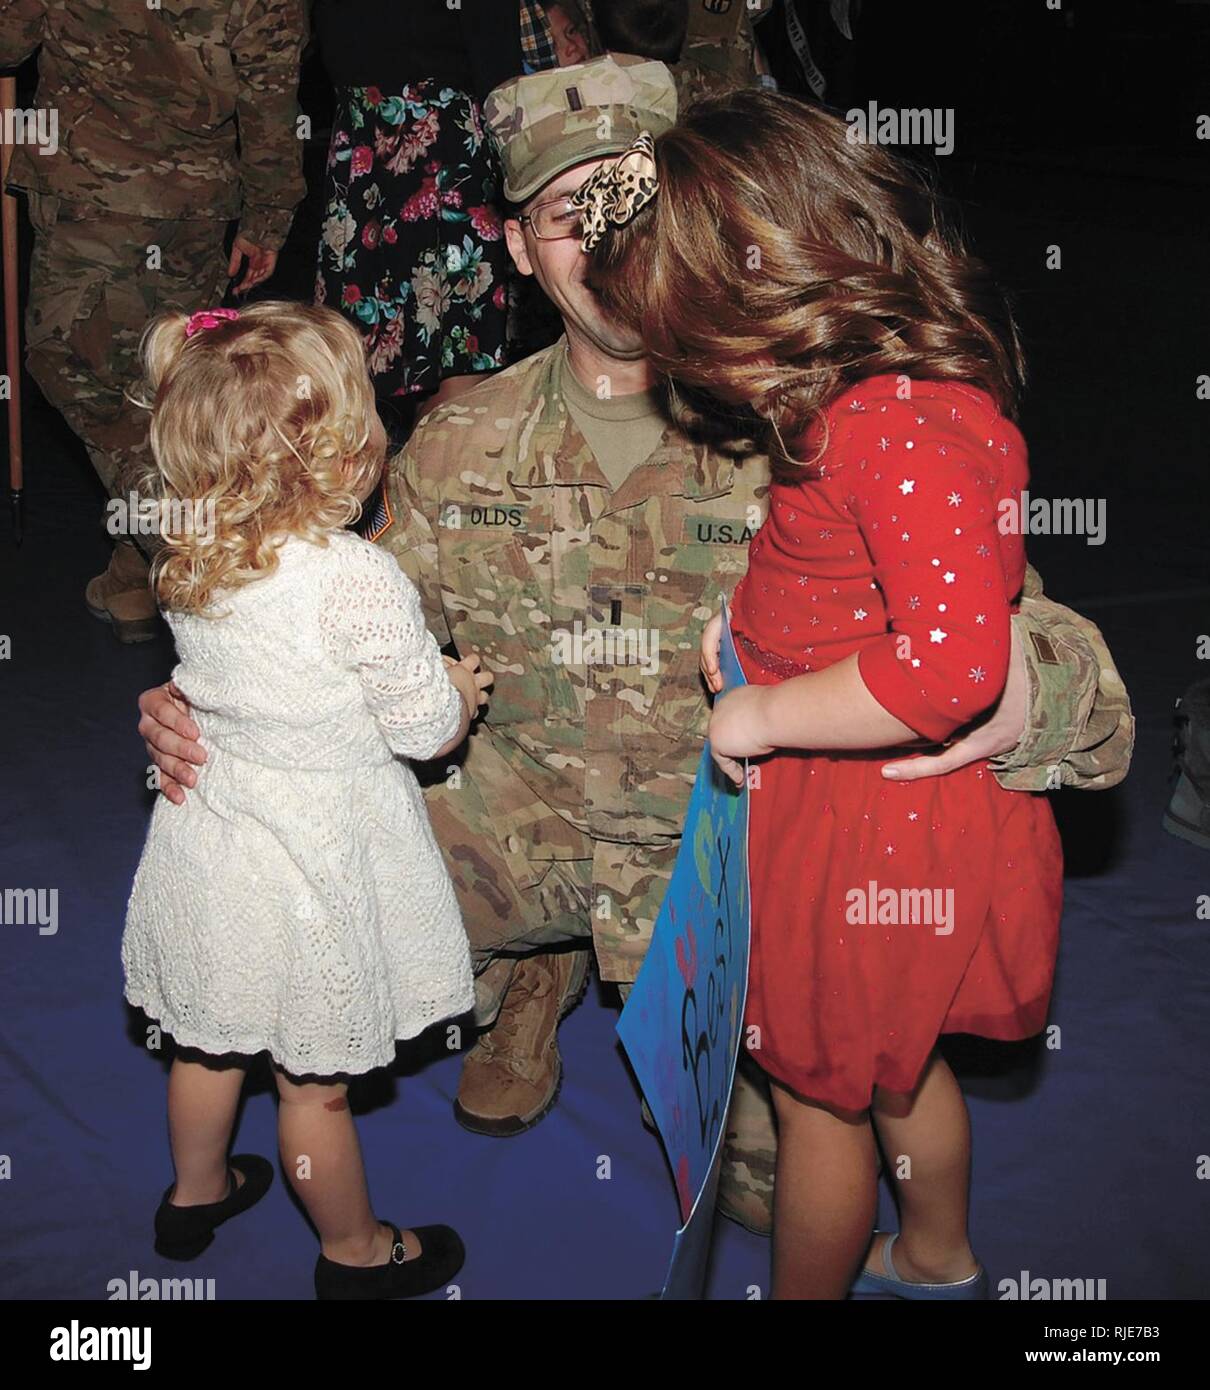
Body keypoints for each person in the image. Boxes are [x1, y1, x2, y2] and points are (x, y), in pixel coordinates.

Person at [135, 56, 1103, 1241]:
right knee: (296, 868)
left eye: (633, 205)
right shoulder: (452, 437)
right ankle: (530, 968)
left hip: (717, 861)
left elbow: (1034, 636)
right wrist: (198, 712)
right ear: (512, 246)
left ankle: (630, 979)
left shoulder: (808, 418)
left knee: (769, 1182)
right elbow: (296, 603)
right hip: (505, 822)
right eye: (564, 214)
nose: (602, 245)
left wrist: (1023, 695)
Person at [585, 88, 1076, 1298]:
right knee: (895, 1064)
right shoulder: (875, 397)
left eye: (700, 346)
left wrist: (753, 710)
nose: (696, 379)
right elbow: (860, 580)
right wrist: (748, 633)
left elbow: (949, 667)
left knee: (817, 1095)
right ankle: (935, 1251)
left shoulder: (894, 432)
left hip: (872, 828)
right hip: (866, 802)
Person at [121, 301, 492, 1300]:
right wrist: (459, 687)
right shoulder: (355, 577)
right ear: (333, 448)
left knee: (205, 1038)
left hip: (214, 836)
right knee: (312, 1082)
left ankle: (194, 1192)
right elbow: (421, 731)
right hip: (317, 855)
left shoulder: (187, 555)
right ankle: (356, 1251)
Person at [1, 0, 308, 642]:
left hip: (91, 193)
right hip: (192, 205)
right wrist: (266, 218)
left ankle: (189, 557)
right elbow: (271, 95)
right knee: (165, 389)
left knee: (77, 374)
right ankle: (136, 576)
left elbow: (7, 41)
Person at [313, 1, 522, 423]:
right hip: (440, 146)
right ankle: (428, 478)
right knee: (458, 349)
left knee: (359, 358)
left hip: (364, 146)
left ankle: (386, 479)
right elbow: (500, 71)